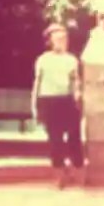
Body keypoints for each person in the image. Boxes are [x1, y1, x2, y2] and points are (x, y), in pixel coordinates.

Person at [30, 23, 85, 187]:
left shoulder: (71, 60)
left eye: (65, 38)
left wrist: (77, 95)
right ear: (50, 41)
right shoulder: (43, 60)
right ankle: (60, 174)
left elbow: (76, 81)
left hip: (67, 100)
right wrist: (34, 106)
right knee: (55, 139)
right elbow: (37, 82)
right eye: (59, 39)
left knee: (74, 137)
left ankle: (78, 171)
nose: (62, 41)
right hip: (48, 100)